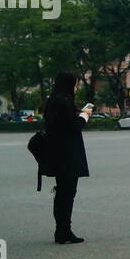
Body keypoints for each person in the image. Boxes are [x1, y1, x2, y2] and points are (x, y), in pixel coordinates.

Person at [41, 71, 91, 245]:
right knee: (67, 193)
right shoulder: (64, 102)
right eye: (75, 84)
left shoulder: (52, 101)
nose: (76, 87)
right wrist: (85, 116)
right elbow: (74, 127)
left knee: (62, 193)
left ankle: (61, 230)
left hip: (56, 153)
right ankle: (64, 231)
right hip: (68, 154)